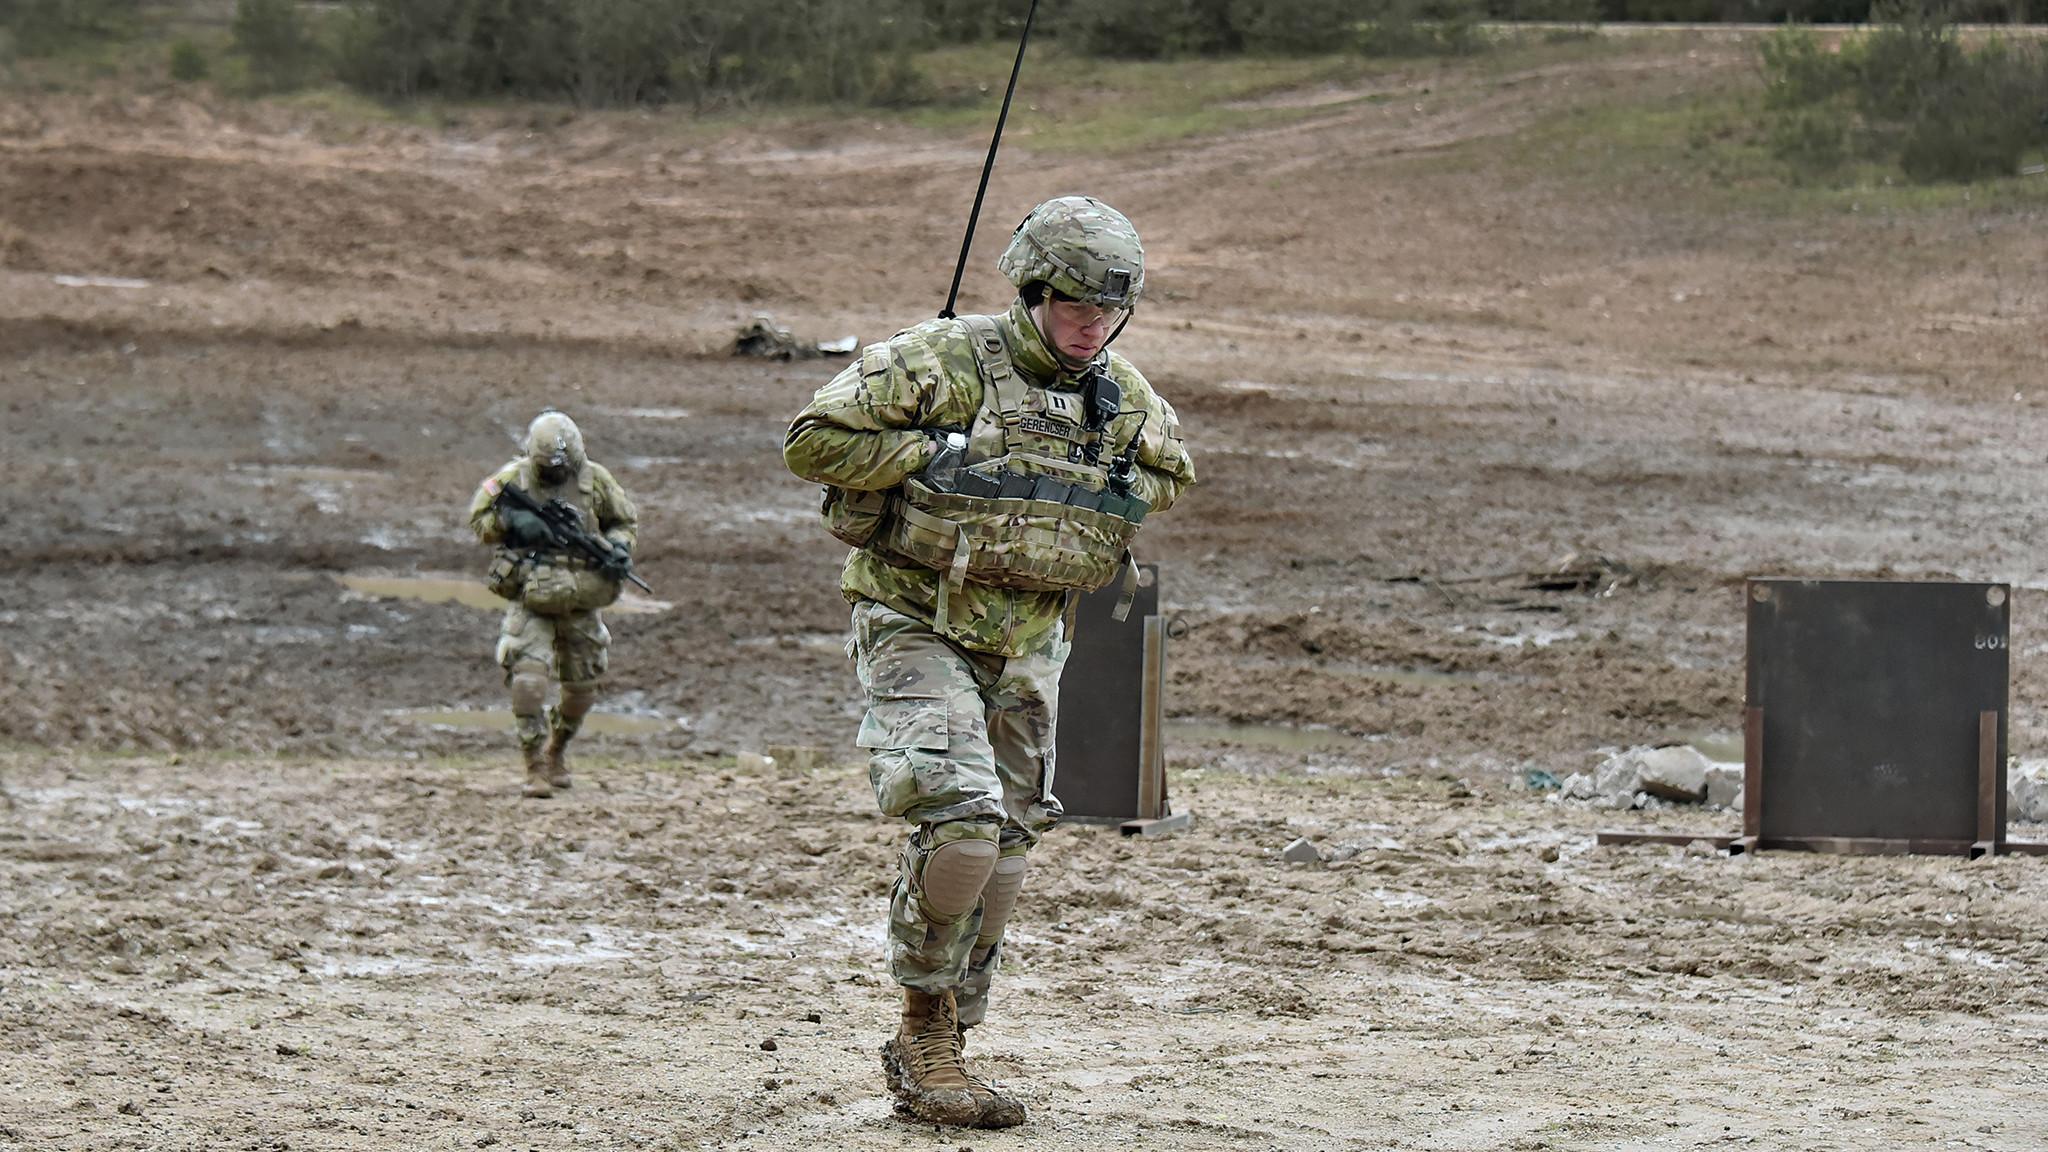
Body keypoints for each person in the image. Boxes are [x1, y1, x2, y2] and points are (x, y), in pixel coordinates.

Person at [784, 195, 1196, 1127]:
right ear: (1034, 286)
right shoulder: (943, 361)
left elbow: (1171, 474)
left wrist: (1091, 483)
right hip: (915, 620)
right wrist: (936, 451)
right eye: (1077, 307)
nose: (1092, 328)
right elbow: (812, 442)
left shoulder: (1117, 395)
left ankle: (953, 1043)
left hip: (1028, 641)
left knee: (1007, 849)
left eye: (1109, 312)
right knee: (964, 826)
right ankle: (922, 1033)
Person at [466, 409, 639, 799]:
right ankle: (534, 765)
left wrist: (619, 549)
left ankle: (556, 749)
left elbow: (624, 522)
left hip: (582, 593)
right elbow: (480, 522)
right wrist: (512, 523)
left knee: (582, 688)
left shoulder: (596, 479)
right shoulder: (512, 480)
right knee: (528, 680)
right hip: (531, 593)